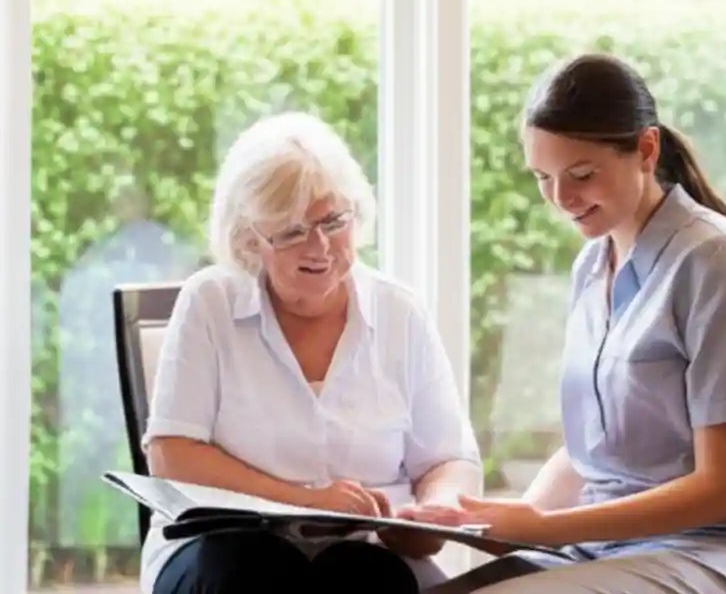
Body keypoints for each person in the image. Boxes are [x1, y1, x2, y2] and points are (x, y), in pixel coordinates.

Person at [413, 53, 726, 593]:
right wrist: (501, 524)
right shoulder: (592, 265)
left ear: (646, 150)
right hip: (613, 552)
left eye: (582, 175)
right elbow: (589, 452)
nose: (561, 199)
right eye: (543, 178)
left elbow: (721, 489)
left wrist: (545, 528)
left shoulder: (717, 260)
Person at [139, 111, 483, 594]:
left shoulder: (399, 313)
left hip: (366, 552)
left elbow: (449, 461)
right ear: (249, 239)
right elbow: (172, 454)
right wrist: (306, 500)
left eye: (332, 221)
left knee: (364, 575)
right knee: (251, 568)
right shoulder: (209, 302)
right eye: (292, 231)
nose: (319, 246)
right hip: (223, 549)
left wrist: (432, 514)